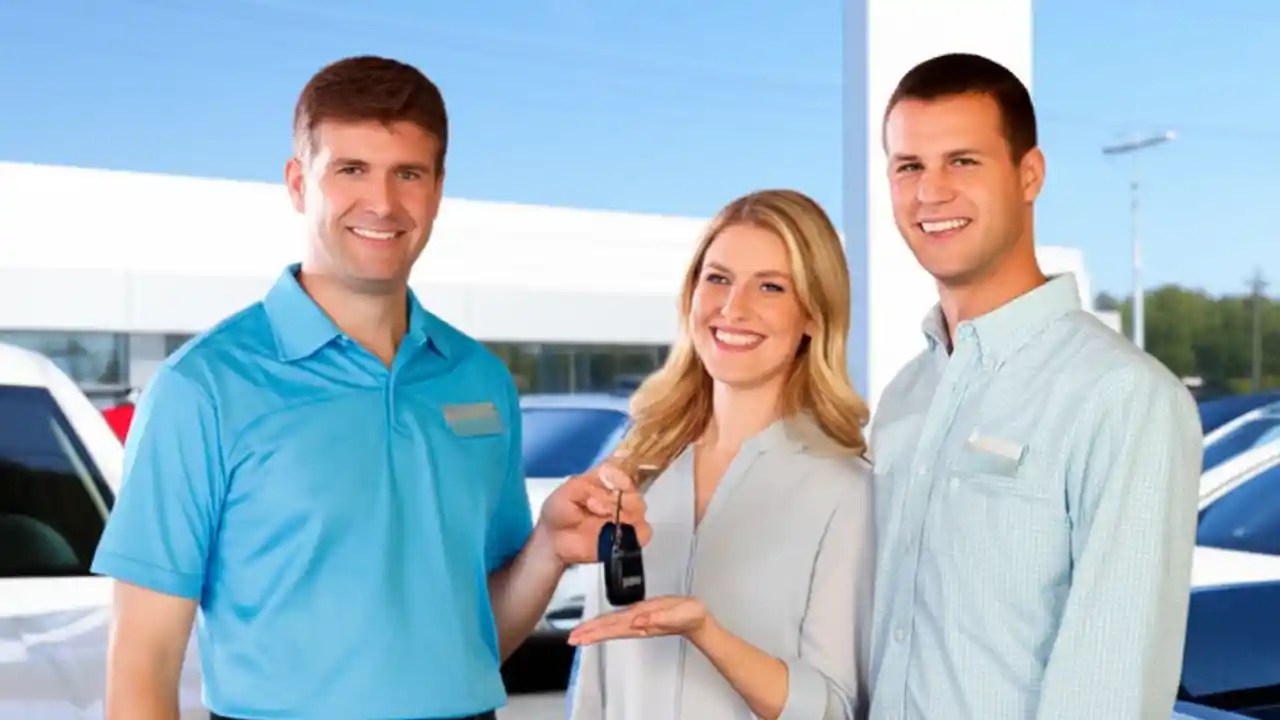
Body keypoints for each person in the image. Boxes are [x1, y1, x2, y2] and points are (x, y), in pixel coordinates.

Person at [90, 55, 649, 720]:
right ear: (299, 183)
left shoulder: (480, 381)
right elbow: (141, 669)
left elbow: (474, 641)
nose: (382, 204)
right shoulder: (202, 388)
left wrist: (551, 548)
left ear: (438, 188)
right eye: (350, 170)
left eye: (407, 173)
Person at [867, 52, 1203, 720]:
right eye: (909, 166)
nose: (931, 192)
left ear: (1030, 175)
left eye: (962, 161)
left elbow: (1113, 688)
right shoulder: (904, 398)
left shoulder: (1122, 399)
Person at [566, 189, 876, 720]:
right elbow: (596, 680)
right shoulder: (637, 465)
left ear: (812, 316)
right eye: (718, 278)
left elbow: (833, 708)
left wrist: (707, 634)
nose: (733, 308)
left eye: (771, 286)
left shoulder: (846, 491)